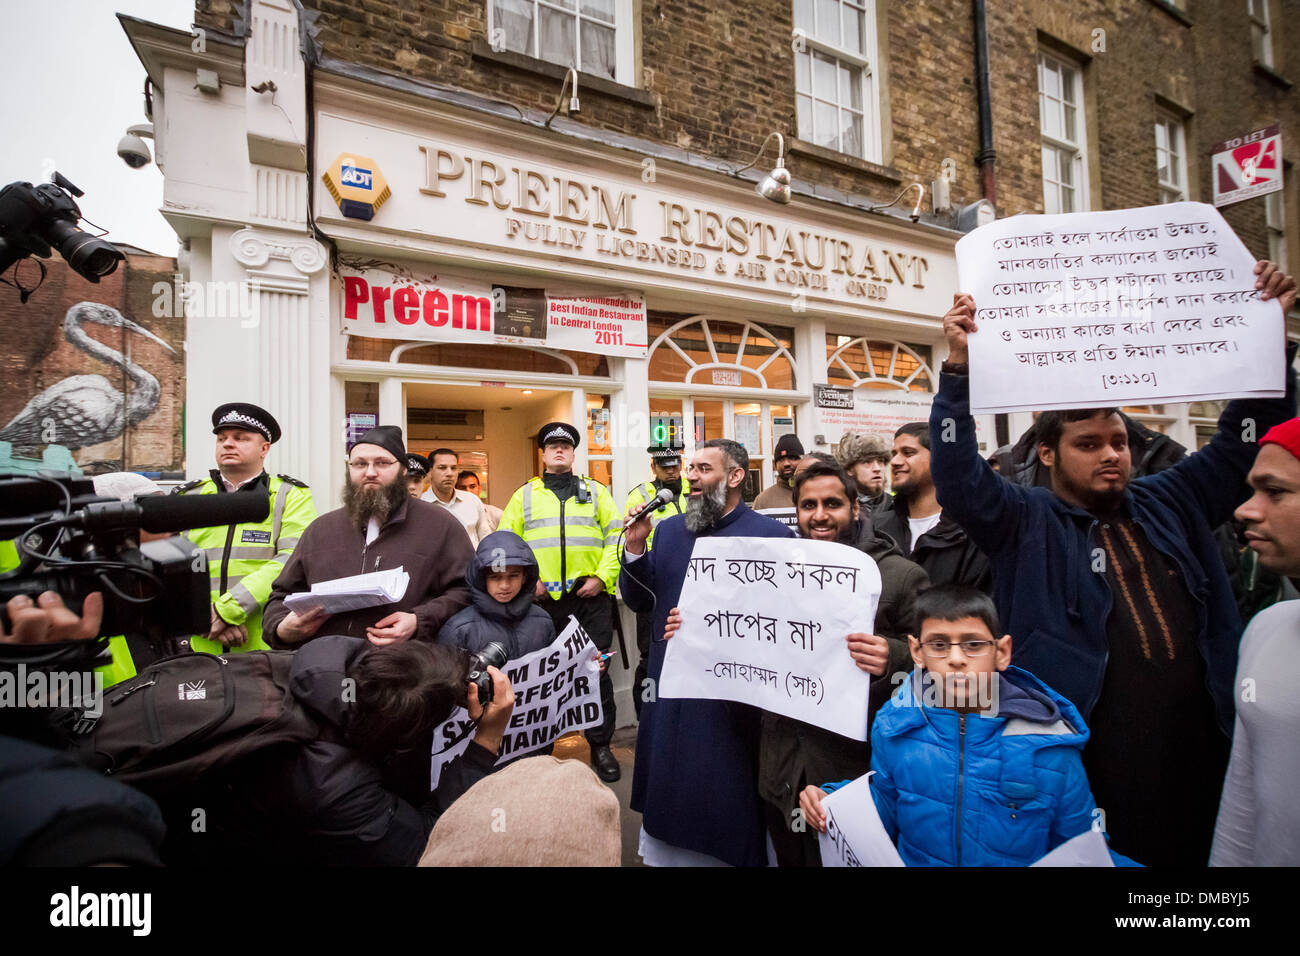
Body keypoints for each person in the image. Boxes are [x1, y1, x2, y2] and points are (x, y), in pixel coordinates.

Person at [930, 260, 1298, 866]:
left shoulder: (1172, 497)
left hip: (1207, 754)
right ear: (1047, 453)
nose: (1112, 455)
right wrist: (958, 373)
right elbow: (957, 476)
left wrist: (1269, 347)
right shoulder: (1024, 520)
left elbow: (1240, 441)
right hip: (1088, 768)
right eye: (1089, 444)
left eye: (1120, 442)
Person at [799, 585, 1116, 867]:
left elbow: (1083, 848)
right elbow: (886, 802)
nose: (956, 659)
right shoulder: (895, 727)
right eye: (938, 645)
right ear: (917, 652)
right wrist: (833, 802)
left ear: (1002, 652)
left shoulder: (1050, 744)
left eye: (973, 645)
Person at [179, 637, 515, 866]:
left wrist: (443, 681)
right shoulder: (336, 785)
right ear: (405, 737)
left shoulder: (322, 663)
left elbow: (400, 681)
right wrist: (485, 742)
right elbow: (426, 845)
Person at [620, 438, 795, 866]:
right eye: (690, 469)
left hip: (735, 699)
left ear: (735, 477)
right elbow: (641, 600)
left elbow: (785, 621)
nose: (691, 477)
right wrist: (636, 548)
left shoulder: (774, 537)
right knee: (673, 785)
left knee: (727, 787)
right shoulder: (668, 530)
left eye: (703, 469)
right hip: (672, 688)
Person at [758, 457, 928, 865]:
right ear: (795, 511)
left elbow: (939, 660)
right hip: (781, 771)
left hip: (853, 774)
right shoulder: (775, 571)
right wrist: (696, 630)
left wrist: (896, 656)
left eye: (832, 504)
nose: (819, 515)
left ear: (855, 508)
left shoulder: (901, 575)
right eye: (808, 505)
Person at [263, 425, 473, 648]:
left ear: (403, 470)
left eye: (382, 463)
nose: (370, 472)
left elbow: (468, 590)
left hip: (406, 669)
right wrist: (281, 628)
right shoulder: (321, 530)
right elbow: (281, 596)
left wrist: (419, 620)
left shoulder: (440, 525)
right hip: (325, 668)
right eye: (360, 464)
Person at [500, 422, 623, 782]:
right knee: (541, 677)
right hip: (541, 604)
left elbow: (617, 537)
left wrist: (602, 578)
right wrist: (526, 582)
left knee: (595, 672)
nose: (558, 451)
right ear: (542, 453)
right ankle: (541, 751)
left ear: (573, 454)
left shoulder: (597, 492)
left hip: (591, 601)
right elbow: (506, 543)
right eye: (551, 446)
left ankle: (600, 746)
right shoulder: (524, 496)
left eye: (565, 447)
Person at [1212, 418, 1300, 865]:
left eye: (1276, 491)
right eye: (1252, 490)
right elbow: (1241, 811)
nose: (1246, 510)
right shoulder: (1266, 630)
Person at [174, 402, 317, 654]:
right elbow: (172, 566)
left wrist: (228, 610)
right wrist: (206, 617)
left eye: (240, 438)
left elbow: (292, 559)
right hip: (198, 640)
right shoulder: (190, 496)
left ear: (264, 449)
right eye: (222, 438)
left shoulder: (290, 495)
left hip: (260, 639)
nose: (228, 444)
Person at [874, 422, 991, 591]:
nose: (895, 461)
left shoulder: (970, 534)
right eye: (894, 454)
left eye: (908, 453)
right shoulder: (877, 527)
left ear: (939, 458)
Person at [624, 443, 690, 718]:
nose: (672, 471)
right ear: (653, 467)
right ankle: (646, 718)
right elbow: (632, 538)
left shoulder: (695, 489)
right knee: (651, 657)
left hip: (692, 588)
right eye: (665, 467)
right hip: (654, 589)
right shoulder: (639, 495)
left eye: (676, 465)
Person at [436, 530, 556, 660]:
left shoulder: (543, 622)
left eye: (513, 576)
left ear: (525, 577)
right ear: (482, 579)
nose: (504, 585)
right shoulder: (459, 630)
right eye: (495, 577)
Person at [422, 448, 494, 547]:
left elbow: (486, 540)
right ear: (429, 472)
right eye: (442, 468)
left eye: (454, 468)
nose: (449, 473)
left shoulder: (472, 501)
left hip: (472, 561)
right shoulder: (420, 503)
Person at [834, 431, 892, 512]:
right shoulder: (836, 506)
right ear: (849, 469)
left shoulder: (896, 507)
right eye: (867, 461)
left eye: (880, 461)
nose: (877, 468)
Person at [753, 433, 804, 510]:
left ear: (803, 461)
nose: (786, 463)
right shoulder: (763, 500)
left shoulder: (817, 493)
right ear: (775, 465)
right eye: (781, 459)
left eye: (792, 458)